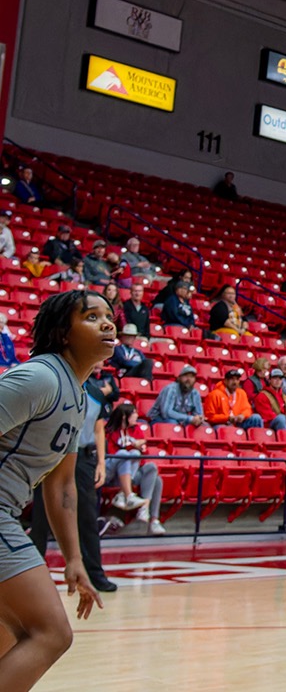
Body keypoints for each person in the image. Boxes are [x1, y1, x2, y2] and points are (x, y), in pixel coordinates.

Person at [0, 288, 113, 688]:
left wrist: (73, 559)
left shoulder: (78, 396)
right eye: (92, 316)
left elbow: (62, 485)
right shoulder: (40, 376)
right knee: (51, 633)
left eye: (109, 315)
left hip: (8, 514)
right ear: (64, 334)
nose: (108, 323)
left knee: (10, 636)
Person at [28, 363, 116, 594]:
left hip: (83, 460)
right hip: (51, 457)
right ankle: (32, 577)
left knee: (87, 518)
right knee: (41, 519)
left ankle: (95, 574)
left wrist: (101, 464)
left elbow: (99, 431)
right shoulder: (54, 386)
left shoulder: (96, 393)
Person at [102, 401, 164, 534]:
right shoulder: (109, 432)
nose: (137, 415)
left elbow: (144, 455)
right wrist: (133, 446)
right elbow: (113, 455)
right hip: (113, 473)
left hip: (132, 471)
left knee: (153, 470)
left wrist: (141, 447)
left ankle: (146, 512)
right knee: (128, 454)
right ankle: (126, 494)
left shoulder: (137, 430)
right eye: (134, 413)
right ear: (124, 416)